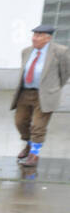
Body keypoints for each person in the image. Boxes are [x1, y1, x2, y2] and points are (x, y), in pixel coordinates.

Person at [12, 24, 69, 168]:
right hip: (25, 93)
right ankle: (29, 145)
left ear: (48, 38)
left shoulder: (60, 52)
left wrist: (54, 88)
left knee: (38, 126)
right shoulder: (26, 51)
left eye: (38, 36)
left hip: (45, 94)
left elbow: (66, 72)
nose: (34, 38)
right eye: (34, 35)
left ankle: (34, 155)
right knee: (20, 122)